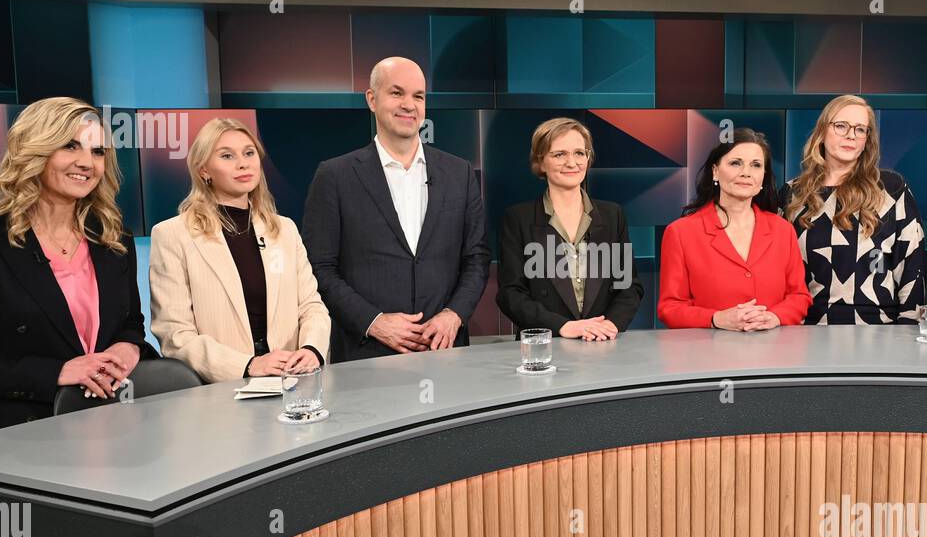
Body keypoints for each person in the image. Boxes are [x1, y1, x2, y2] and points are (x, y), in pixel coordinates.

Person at [0, 98, 155, 437]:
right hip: (17, 438)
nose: (86, 163)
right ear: (34, 151)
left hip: (108, 427)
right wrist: (54, 373)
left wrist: (128, 346)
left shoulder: (112, 238)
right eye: (69, 146)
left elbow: (129, 323)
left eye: (97, 152)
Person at [302, 57, 490, 359]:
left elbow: (477, 258)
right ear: (372, 99)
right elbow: (319, 268)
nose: (409, 104)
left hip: (444, 353)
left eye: (418, 96)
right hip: (367, 355)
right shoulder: (335, 175)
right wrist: (373, 322)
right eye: (396, 93)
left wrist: (453, 315)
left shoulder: (459, 172)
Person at [149, 118, 331, 382]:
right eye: (227, 156)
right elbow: (175, 335)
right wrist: (247, 365)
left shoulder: (285, 230)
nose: (243, 163)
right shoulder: (172, 235)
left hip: (294, 383)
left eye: (249, 153)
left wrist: (311, 349)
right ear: (204, 170)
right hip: (222, 390)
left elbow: (311, 306)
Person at [781, 95, 926, 324]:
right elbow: (779, 275)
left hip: (881, 330)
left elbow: (912, 269)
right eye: (841, 126)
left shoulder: (891, 188)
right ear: (822, 131)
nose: (851, 135)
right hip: (809, 329)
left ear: (867, 140)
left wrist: (908, 331)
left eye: (861, 129)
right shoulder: (792, 194)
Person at [497, 117, 643, 339]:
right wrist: (563, 326)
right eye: (559, 154)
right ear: (541, 162)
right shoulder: (518, 218)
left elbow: (628, 286)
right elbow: (511, 294)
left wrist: (611, 325)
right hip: (544, 345)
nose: (572, 163)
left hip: (602, 344)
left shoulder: (612, 215)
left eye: (579, 153)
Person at [658, 128, 812, 329]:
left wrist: (774, 317)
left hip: (774, 352)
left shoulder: (783, 230)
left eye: (756, 165)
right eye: (735, 163)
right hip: (706, 354)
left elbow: (799, 296)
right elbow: (669, 307)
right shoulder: (680, 233)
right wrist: (716, 319)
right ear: (715, 171)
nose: (746, 173)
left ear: (763, 177)